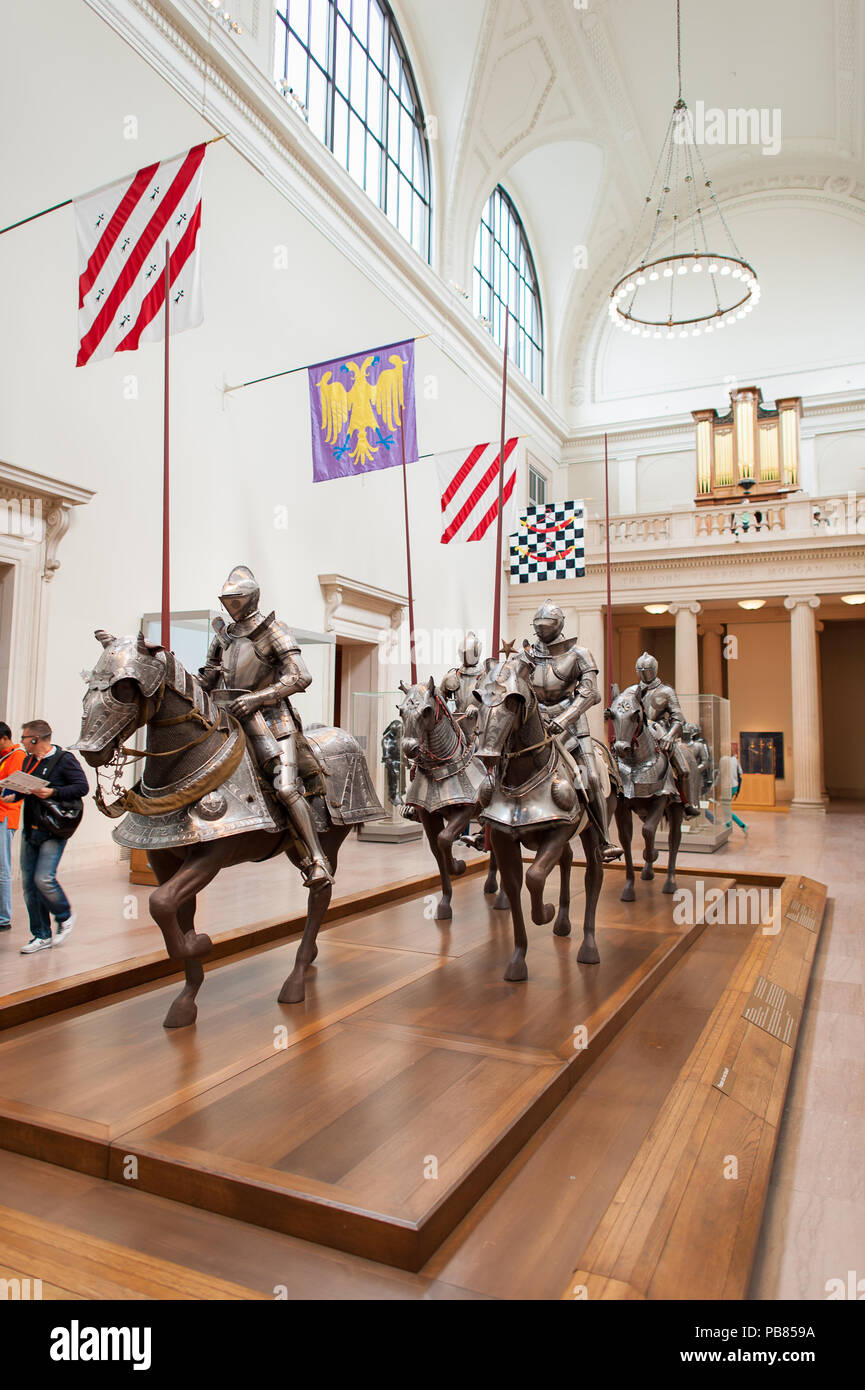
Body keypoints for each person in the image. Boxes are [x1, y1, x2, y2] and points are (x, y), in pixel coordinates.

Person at [198, 565, 332, 887]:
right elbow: (207, 677)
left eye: (236, 598)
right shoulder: (223, 638)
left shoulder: (274, 631)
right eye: (227, 599)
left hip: (272, 720)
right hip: (226, 718)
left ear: (251, 598)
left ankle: (317, 859)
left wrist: (259, 698)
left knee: (285, 787)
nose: (231, 604)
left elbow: (300, 675)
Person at [524, 600, 621, 861]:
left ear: (560, 625)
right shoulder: (527, 655)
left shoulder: (579, 654)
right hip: (535, 724)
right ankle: (487, 829)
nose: (543, 630)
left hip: (572, 725)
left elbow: (590, 693)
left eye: (548, 625)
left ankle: (604, 840)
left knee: (590, 776)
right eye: (539, 626)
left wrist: (565, 718)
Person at [15, 720, 89, 954]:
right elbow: (27, 788)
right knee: (29, 885)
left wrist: (53, 791)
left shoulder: (64, 760)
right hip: (31, 828)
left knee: (43, 879)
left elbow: (82, 787)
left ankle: (65, 916)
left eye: (25, 738)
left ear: (36, 739)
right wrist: (13, 796)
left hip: (54, 829)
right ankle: (41, 935)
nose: (22, 742)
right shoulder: (28, 761)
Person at [630, 653, 701, 817]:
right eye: (641, 670)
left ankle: (686, 803)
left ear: (654, 669)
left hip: (661, 733)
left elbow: (678, 718)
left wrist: (669, 736)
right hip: (639, 734)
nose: (644, 673)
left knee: (684, 770)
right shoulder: (634, 691)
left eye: (647, 670)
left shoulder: (666, 691)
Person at [0, 722, 26, 932]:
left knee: (2, 867)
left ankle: (3, 917)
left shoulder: (17, 756)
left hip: (5, 816)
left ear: (4, 738)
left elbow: (11, 789)